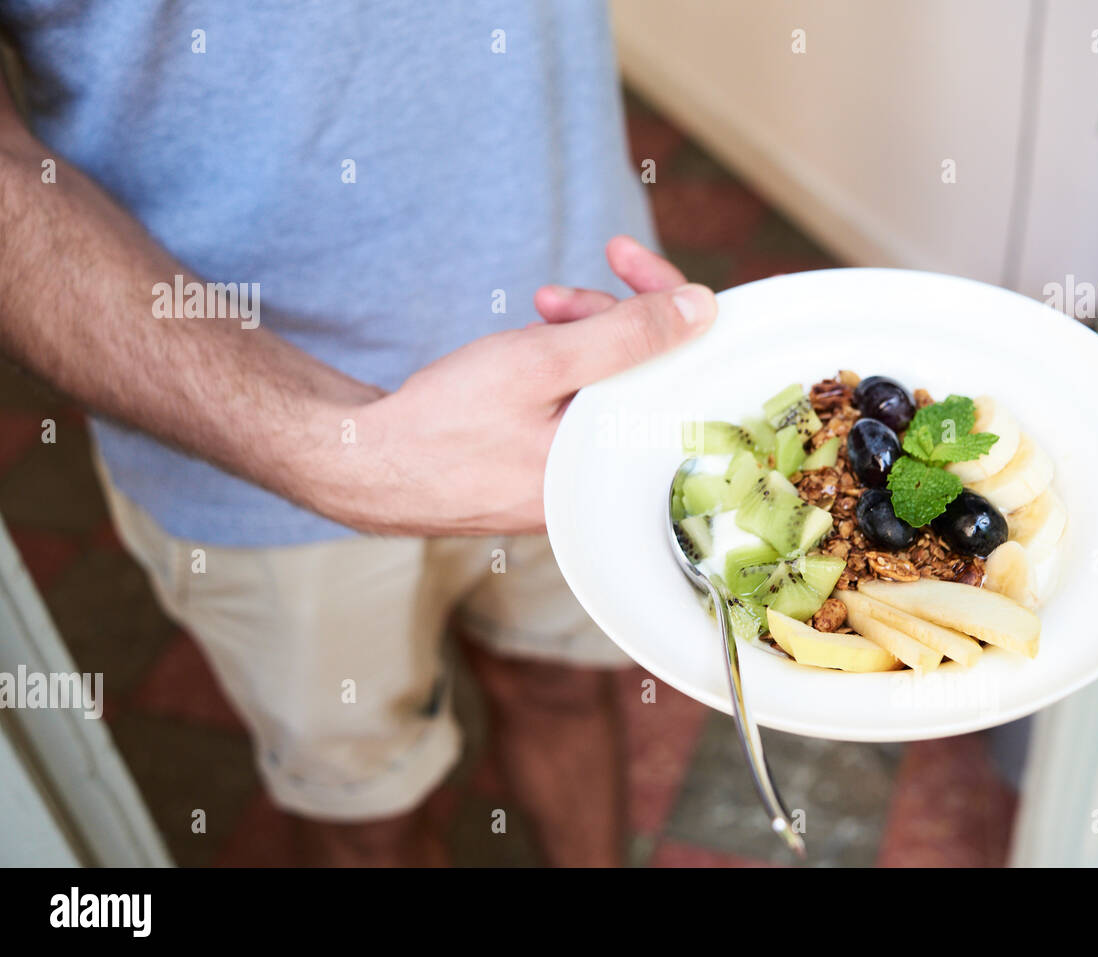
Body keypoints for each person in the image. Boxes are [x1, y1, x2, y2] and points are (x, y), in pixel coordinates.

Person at [0, 1, 716, 866]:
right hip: (243, 454)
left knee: (566, 689)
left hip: (582, 355)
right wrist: (324, 448)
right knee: (366, 815)